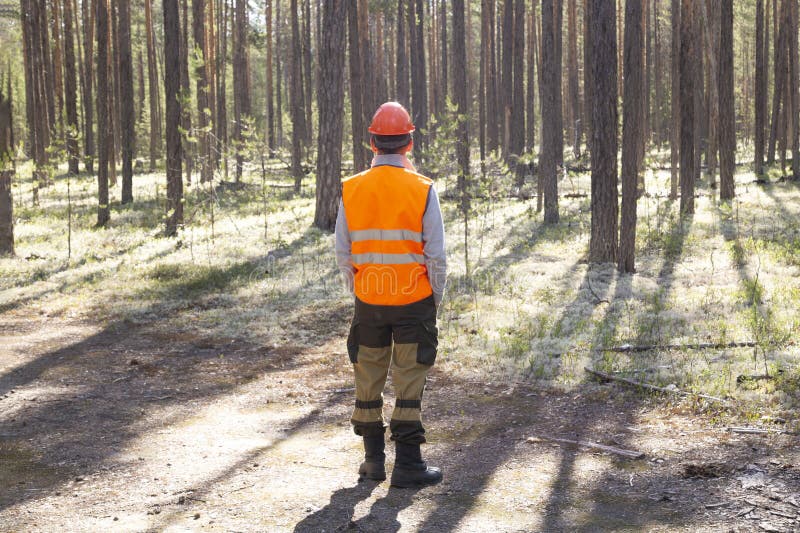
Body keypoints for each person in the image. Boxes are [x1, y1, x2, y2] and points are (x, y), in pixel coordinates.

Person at [334, 102, 447, 488]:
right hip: (414, 300)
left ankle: (373, 462)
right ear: (409, 144)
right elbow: (436, 255)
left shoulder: (352, 188)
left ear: (372, 142)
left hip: (369, 302)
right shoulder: (422, 189)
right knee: (409, 379)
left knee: (368, 375)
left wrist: (360, 290)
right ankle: (409, 466)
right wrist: (436, 298)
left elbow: (342, 251)